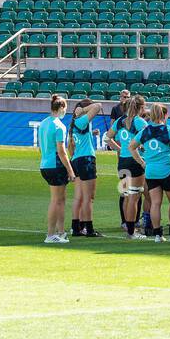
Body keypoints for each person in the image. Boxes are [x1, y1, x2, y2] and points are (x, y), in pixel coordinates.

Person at [130, 103, 170, 241]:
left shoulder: (145, 131)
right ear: (165, 115)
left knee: (155, 203)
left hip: (151, 171)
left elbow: (131, 147)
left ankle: (157, 235)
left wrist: (142, 162)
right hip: (167, 170)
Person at [104, 95, 147, 238]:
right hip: (135, 162)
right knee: (134, 197)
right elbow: (148, 139)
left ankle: (127, 226)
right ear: (140, 108)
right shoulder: (140, 122)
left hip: (122, 161)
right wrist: (142, 153)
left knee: (127, 196)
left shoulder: (119, 121)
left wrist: (118, 149)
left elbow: (107, 137)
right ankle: (131, 231)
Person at [38, 95, 76, 244]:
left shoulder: (44, 123)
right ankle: (51, 234)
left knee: (60, 199)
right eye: (65, 108)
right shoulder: (59, 125)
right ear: (60, 108)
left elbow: (41, 147)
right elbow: (61, 151)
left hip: (45, 164)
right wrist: (70, 170)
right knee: (56, 200)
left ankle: (60, 232)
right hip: (55, 165)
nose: (65, 111)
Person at [68, 98, 103, 238]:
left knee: (78, 197)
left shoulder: (75, 123)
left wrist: (91, 133)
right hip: (86, 160)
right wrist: (82, 110)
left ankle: (76, 228)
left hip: (76, 160)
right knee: (89, 198)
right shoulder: (81, 120)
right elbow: (98, 106)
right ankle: (89, 229)